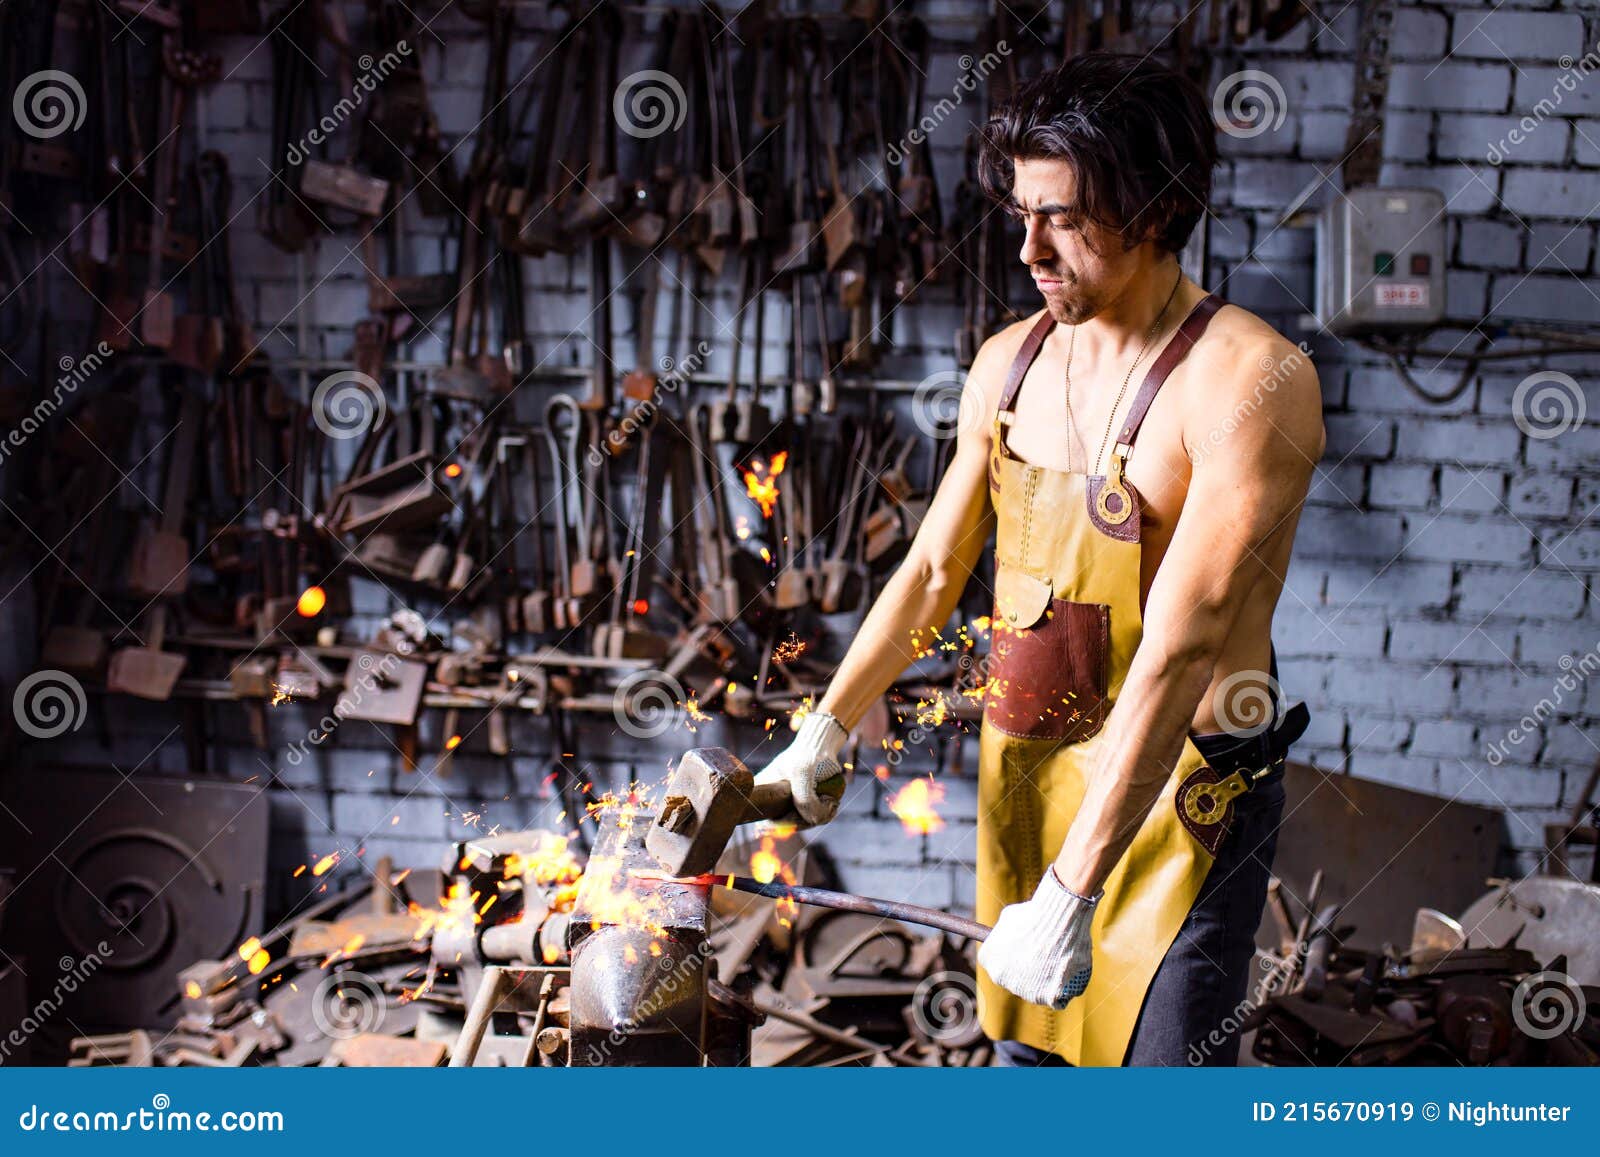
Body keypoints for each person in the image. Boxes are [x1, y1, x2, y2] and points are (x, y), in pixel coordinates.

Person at [755, 52, 1324, 1066]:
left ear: (1152, 208)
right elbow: (932, 569)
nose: (1027, 247)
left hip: (1178, 808)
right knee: (1029, 1081)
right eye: (1020, 212)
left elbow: (1179, 649)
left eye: (1059, 216)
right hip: (1031, 780)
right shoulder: (1006, 365)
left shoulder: (1249, 380)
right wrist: (827, 726)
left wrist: (1073, 889)